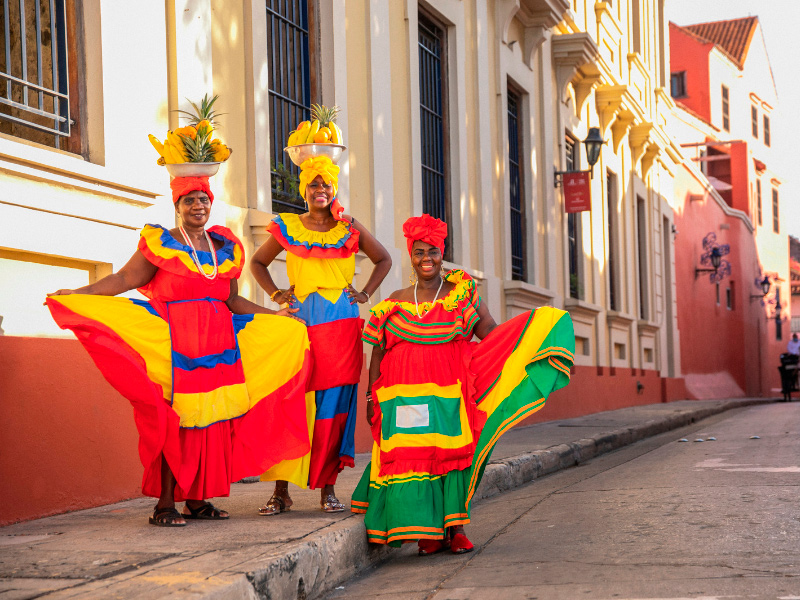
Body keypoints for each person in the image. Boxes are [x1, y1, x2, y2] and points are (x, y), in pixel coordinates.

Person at [46, 176, 313, 527]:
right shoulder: (162, 243)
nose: (198, 205)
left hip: (219, 345)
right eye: (189, 200)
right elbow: (125, 279)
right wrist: (82, 293)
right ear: (177, 205)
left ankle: (198, 500)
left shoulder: (224, 248)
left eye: (203, 198)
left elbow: (231, 299)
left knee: (211, 420)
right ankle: (165, 503)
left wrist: (274, 316)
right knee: (179, 421)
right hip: (177, 345)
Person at [351, 214, 574, 554]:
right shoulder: (393, 301)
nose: (426, 259)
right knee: (413, 456)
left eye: (433, 252)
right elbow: (378, 353)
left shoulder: (462, 296)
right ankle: (427, 533)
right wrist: (370, 396)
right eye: (419, 252)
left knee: (451, 457)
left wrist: (532, 334)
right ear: (411, 256)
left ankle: (454, 530)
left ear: (443, 253)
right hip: (402, 397)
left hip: (450, 396)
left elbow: (493, 337)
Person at [250, 154, 391, 514]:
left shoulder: (350, 228)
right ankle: (281, 490)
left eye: (326, 183)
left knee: (334, 405)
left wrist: (364, 294)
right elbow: (257, 263)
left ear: (334, 188)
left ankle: (327, 487)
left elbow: (384, 259)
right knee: (291, 399)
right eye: (314, 183)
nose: (320, 190)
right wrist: (278, 294)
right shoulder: (287, 226)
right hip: (299, 323)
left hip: (341, 324)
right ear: (304, 189)